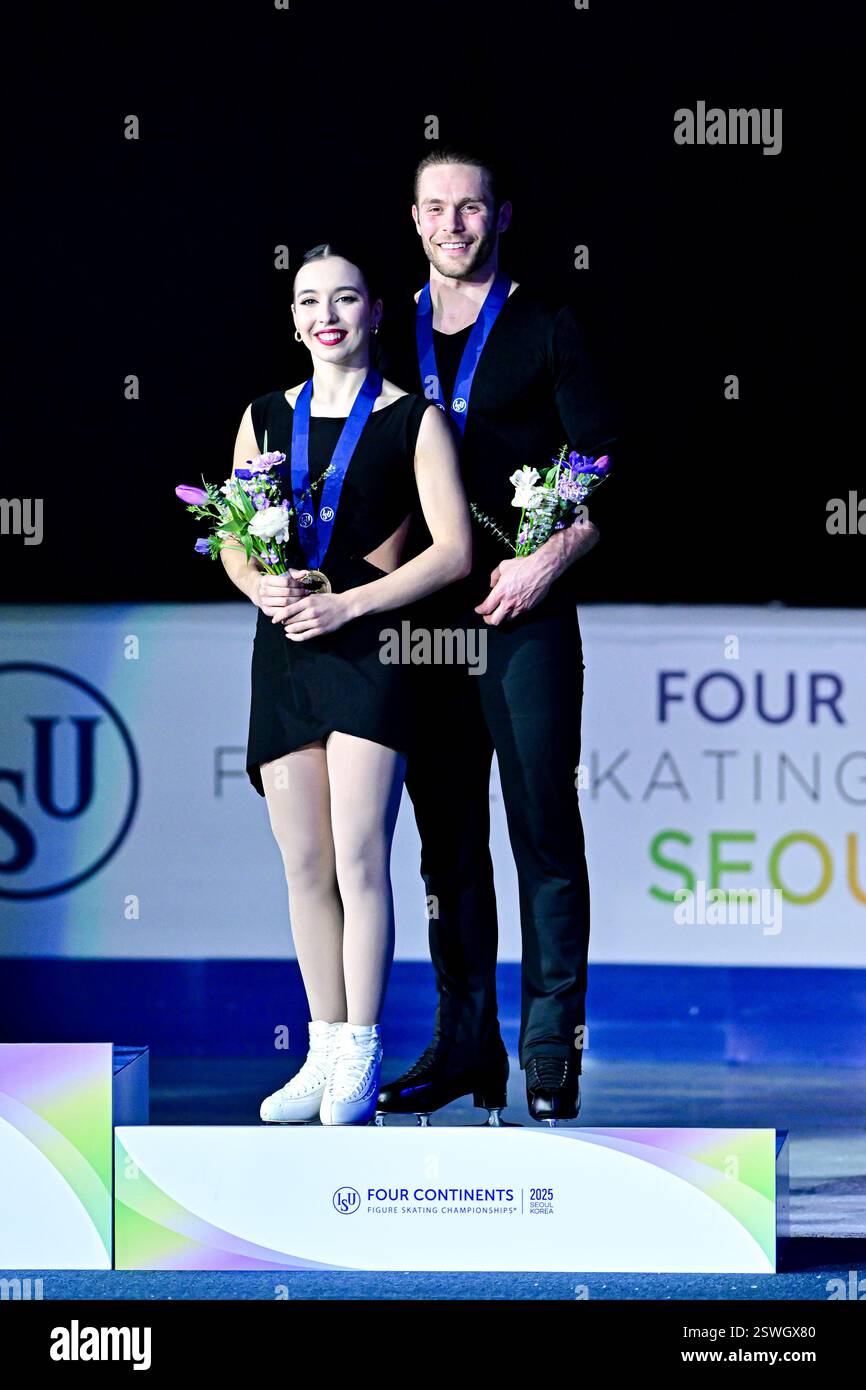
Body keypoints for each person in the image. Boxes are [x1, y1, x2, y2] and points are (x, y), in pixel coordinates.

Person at [374, 148, 616, 1124]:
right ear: (415, 218)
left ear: (498, 216)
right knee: (444, 848)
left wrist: (543, 561)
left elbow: (601, 484)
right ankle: (464, 1040)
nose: (452, 224)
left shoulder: (547, 326)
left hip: (523, 620)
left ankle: (549, 1052)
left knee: (542, 834)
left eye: (469, 208)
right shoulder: (386, 338)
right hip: (426, 628)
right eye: (434, 207)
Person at [220, 243, 472, 1126]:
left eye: (346, 299)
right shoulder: (262, 415)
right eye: (309, 300)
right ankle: (322, 1047)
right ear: (293, 320)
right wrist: (260, 587)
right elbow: (235, 537)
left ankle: (362, 1050)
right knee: (304, 863)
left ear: (374, 312)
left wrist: (349, 605)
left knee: (362, 857)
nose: (327, 314)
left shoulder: (416, 420)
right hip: (287, 650)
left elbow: (455, 552)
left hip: (370, 652)